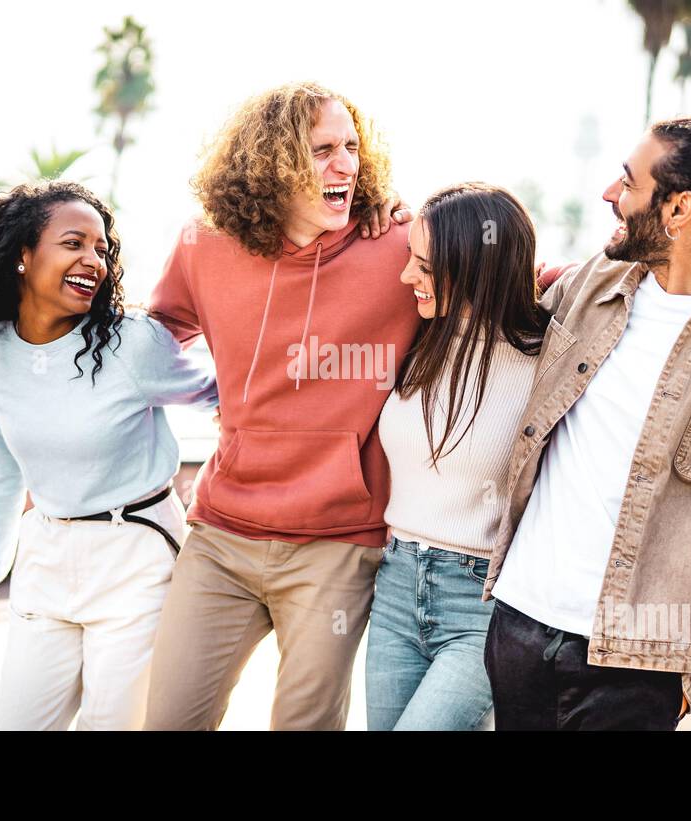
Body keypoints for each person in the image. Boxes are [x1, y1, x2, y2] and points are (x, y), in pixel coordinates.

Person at [483, 112, 691, 731]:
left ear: (678, 209)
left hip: (639, 672)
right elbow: (474, 300)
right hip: (518, 629)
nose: (609, 194)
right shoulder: (587, 286)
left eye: (628, 182)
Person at [142, 81, 416, 730]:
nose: (344, 164)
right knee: (169, 718)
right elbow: (146, 348)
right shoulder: (202, 247)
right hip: (220, 533)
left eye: (352, 147)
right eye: (322, 150)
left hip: (336, 543)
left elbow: (516, 281)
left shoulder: (400, 248)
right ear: (272, 163)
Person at [0, 180, 218, 730]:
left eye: (102, 249)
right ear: (23, 254)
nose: (94, 260)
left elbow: (230, 395)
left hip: (137, 557)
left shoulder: (131, 343)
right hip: (46, 558)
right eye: (74, 244)